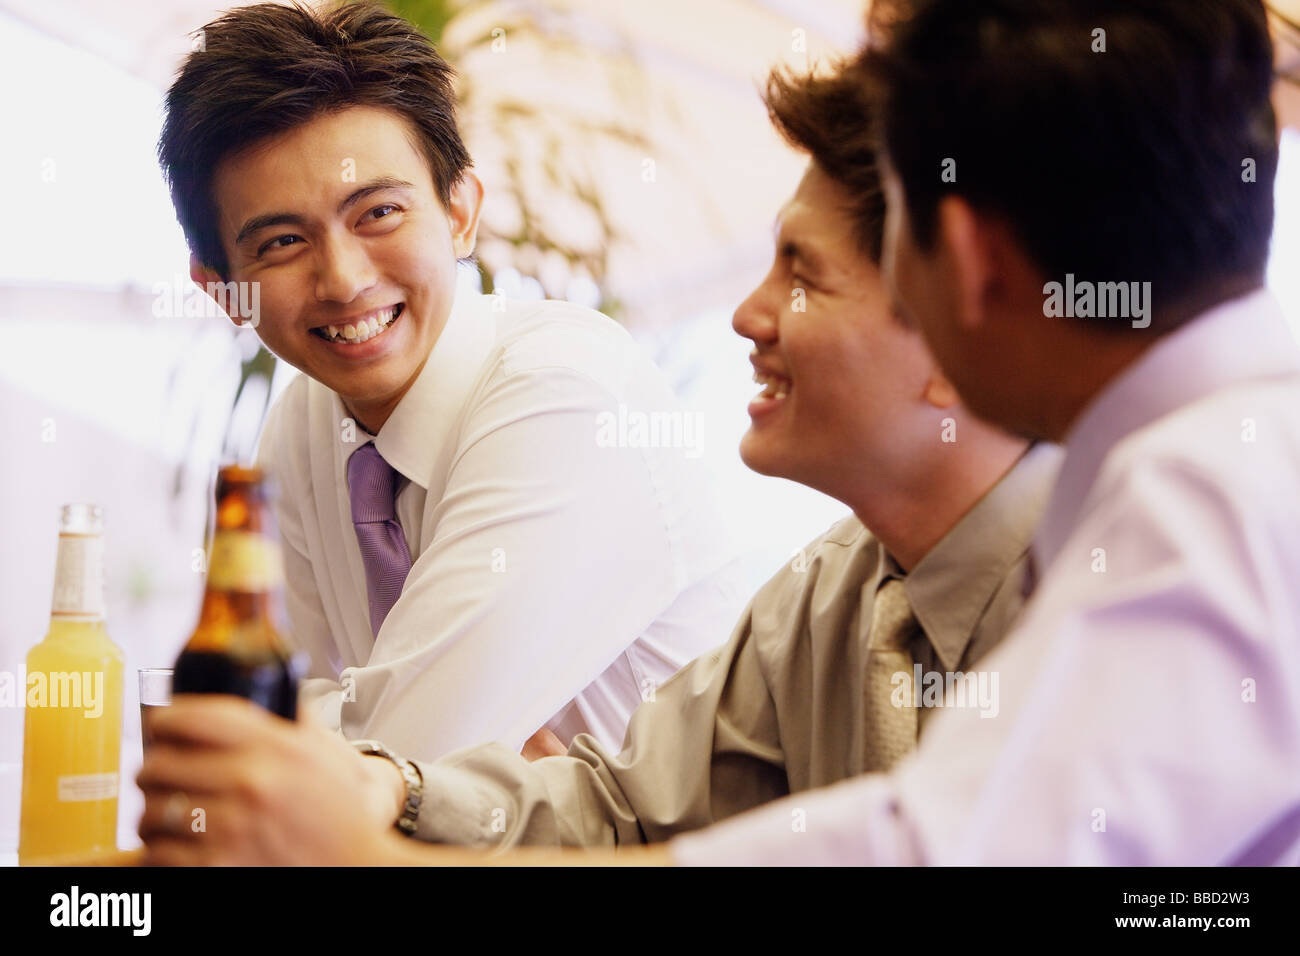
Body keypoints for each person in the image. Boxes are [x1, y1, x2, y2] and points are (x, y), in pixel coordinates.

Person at [136, 49, 1064, 865]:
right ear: (223, 291)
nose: (748, 314)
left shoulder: (1106, 581)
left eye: (801, 273)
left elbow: (379, 742)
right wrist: (401, 789)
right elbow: (620, 802)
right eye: (284, 242)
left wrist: (372, 790)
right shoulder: (829, 591)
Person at [666, 0, 1300, 865]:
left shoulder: (1206, 496)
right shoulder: (1240, 459)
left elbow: (960, 849)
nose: (751, 315)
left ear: (966, 259)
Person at [155, 1, 747, 765]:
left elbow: (403, 760)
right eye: (282, 241)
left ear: (461, 212)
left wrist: (384, 732)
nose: (343, 280)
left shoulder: (566, 394)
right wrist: (390, 732)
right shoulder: (305, 424)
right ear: (220, 287)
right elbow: (275, 720)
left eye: (378, 212)